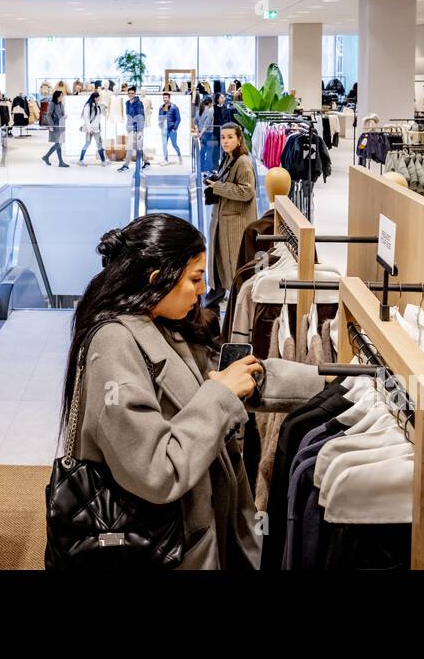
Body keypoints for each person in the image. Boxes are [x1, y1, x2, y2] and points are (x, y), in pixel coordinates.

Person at [55, 213, 325, 569]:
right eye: (195, 278)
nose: (202, 289)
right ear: (157, 279)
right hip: (157, 544)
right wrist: (220, 396)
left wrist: (338, 384)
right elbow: (156, 469)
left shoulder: (166, 325)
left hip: (192, 533)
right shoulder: (114, 344)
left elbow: (235, 375)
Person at [205, 123, 257, 301]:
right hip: (224, 220)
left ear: (239, 139)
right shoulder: (229, 158)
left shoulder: (242, 163)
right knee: (220, 260)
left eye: (230, 137)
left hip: (235, 224)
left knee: (233, 262)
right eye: (223, 138)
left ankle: (239, 299)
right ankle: (218, 292)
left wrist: (218, 186)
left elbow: (247, 191)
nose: (225, 141)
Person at [118, 85, 147, 172]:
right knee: (136, 147)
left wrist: (139, 130)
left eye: (132, 93)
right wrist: (128, 126)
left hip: (138, 130)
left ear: (134, 94)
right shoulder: (127, 103)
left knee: (130, 147)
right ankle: (146, 161)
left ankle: (126, 165)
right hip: (131, 129)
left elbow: (141, 117)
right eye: (129, 93)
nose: (130, 94)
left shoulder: (138, 104)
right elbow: (128, 116)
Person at [78, 88, 106, 165]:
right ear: (94, 98)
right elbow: (86, 118)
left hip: (96, 129)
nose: (98, 99)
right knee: (87, 143)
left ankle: (103, 161)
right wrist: (89, 129)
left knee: (99, 144)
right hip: (90, 129)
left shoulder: (97, 106)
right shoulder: (88, 106)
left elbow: (98, 118)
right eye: (98, 98)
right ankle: (81, 160)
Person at [42, 88, 70, 167]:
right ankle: (46, 156)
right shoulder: (52, 104)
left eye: (62, 96)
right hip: (55, 126)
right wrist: (51, 125)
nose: (62, 97)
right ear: (56, 96)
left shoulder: (61, 104)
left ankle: (60, 162)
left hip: (60, 126)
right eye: (60, 96)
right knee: (59, 143)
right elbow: (48, 115)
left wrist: (64, 117)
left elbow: (61, 114)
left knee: (58, 143)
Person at [159, 91, 182, 165]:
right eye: (163, 98)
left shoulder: (174, 107)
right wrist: (161, 125)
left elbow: (178, 119)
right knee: (164, 145)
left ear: (169, 98)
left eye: (166, 98)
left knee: (174, 145)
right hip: (164, 130)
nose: (164, 99)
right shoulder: (161, 107)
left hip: (171, 130)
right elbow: (160, 117)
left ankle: (180, 157)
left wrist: (174, 129)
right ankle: (166, 160)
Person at [195, 95, 216, 172]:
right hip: (208, 134)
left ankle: (201, 168)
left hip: (202, 134)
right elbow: (207, 126)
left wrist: (199, 133)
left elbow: (195, 123)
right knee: (209, 152)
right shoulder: (209, 112)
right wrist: (201, 133)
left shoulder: (199, 111)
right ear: (210, 104)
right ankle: (208, 169)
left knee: (202, 152)